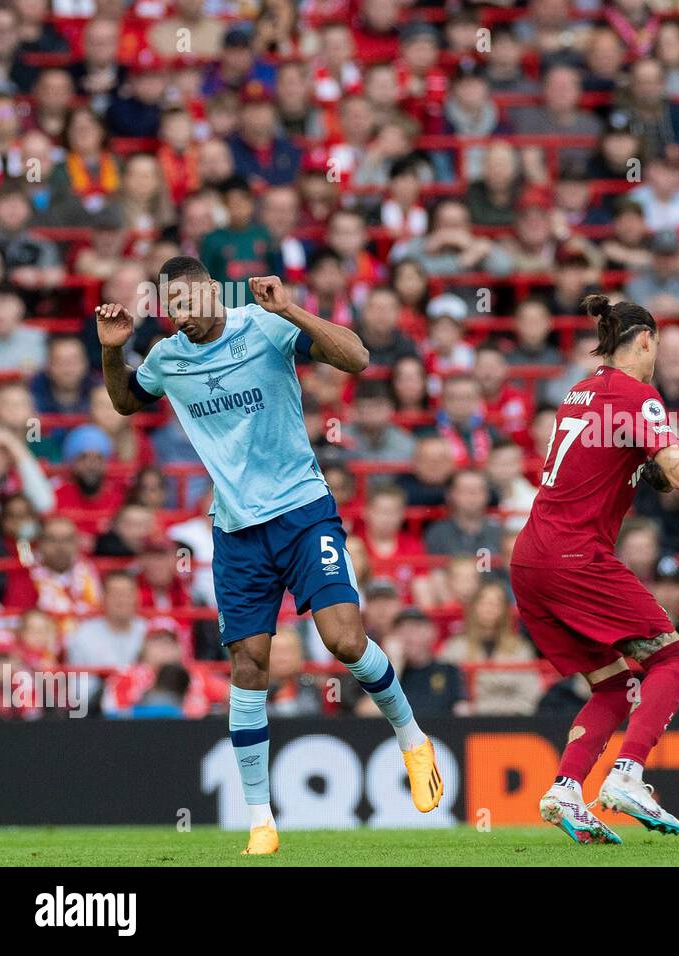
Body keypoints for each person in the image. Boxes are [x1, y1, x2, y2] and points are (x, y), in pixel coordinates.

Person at [95, 256, 442, 855]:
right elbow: (127, 403)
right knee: (250, 666)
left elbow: (357, 358)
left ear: (210, 293)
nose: (180, 314)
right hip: (236, 532)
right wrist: (111, 349)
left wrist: (290, 309)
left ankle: (411, 738)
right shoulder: (167, 358)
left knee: (344, 641)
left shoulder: (262, 322)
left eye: (188, 301)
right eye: (170, 306)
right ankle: (262, 821)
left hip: (303, 512)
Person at [510, 293, 679, 844]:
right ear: (645, 339)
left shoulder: (578, 392)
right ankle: (629, 774)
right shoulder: (638, 395)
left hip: (530, 557)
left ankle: (564, 788)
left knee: (612, 686)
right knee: (674, 659)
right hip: (574, 556)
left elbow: (607, 463)